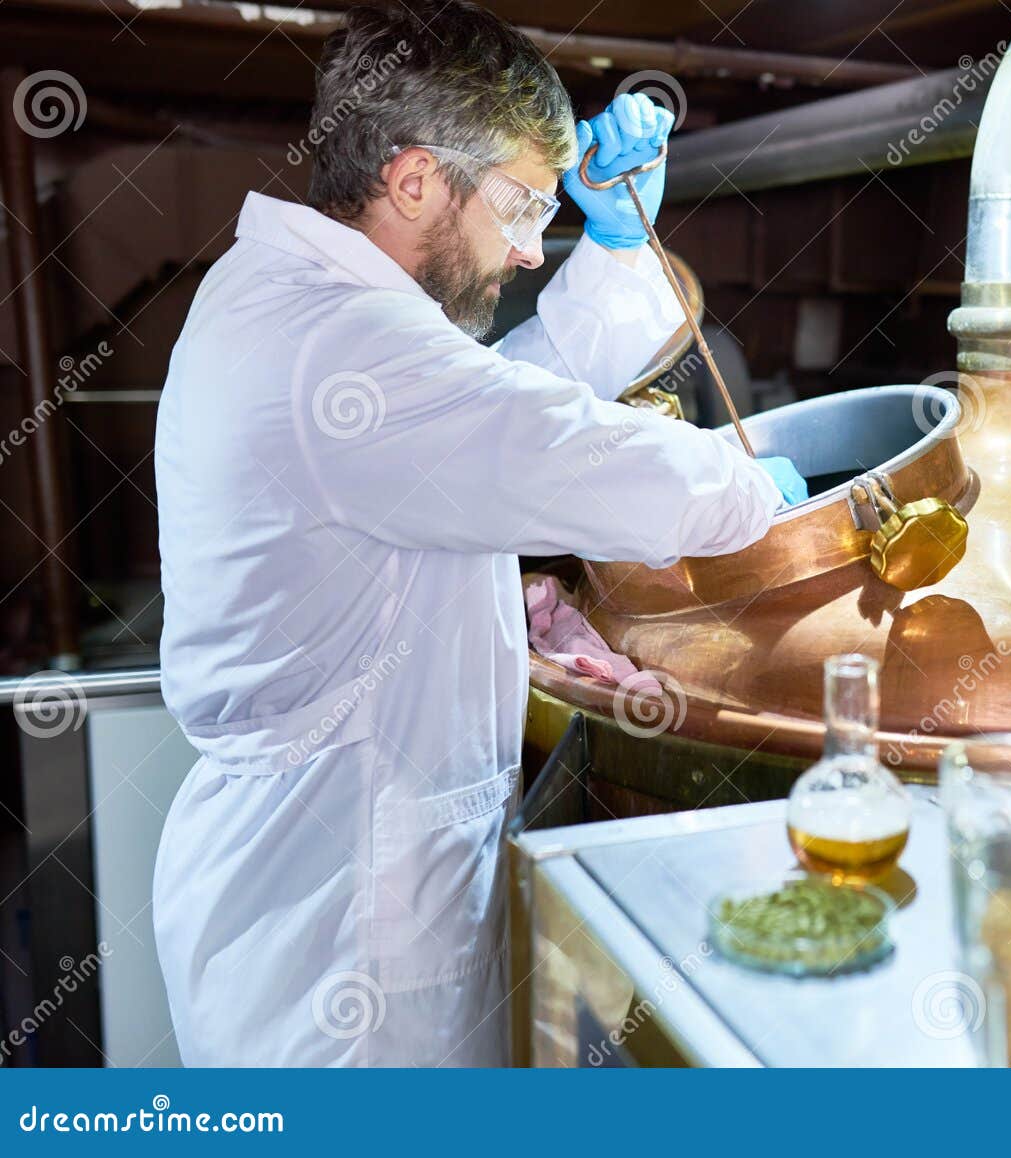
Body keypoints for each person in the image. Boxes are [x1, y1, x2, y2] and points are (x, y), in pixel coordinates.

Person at [151, 0, 799, 1066]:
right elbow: (540, 445)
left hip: (341, 872)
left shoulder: (306, 306)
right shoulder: (334, 342)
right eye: (521, 207)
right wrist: (750, 491)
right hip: (335, 938)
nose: (532, 248)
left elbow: (483, 410)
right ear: (414, 181)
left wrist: (614, 248)